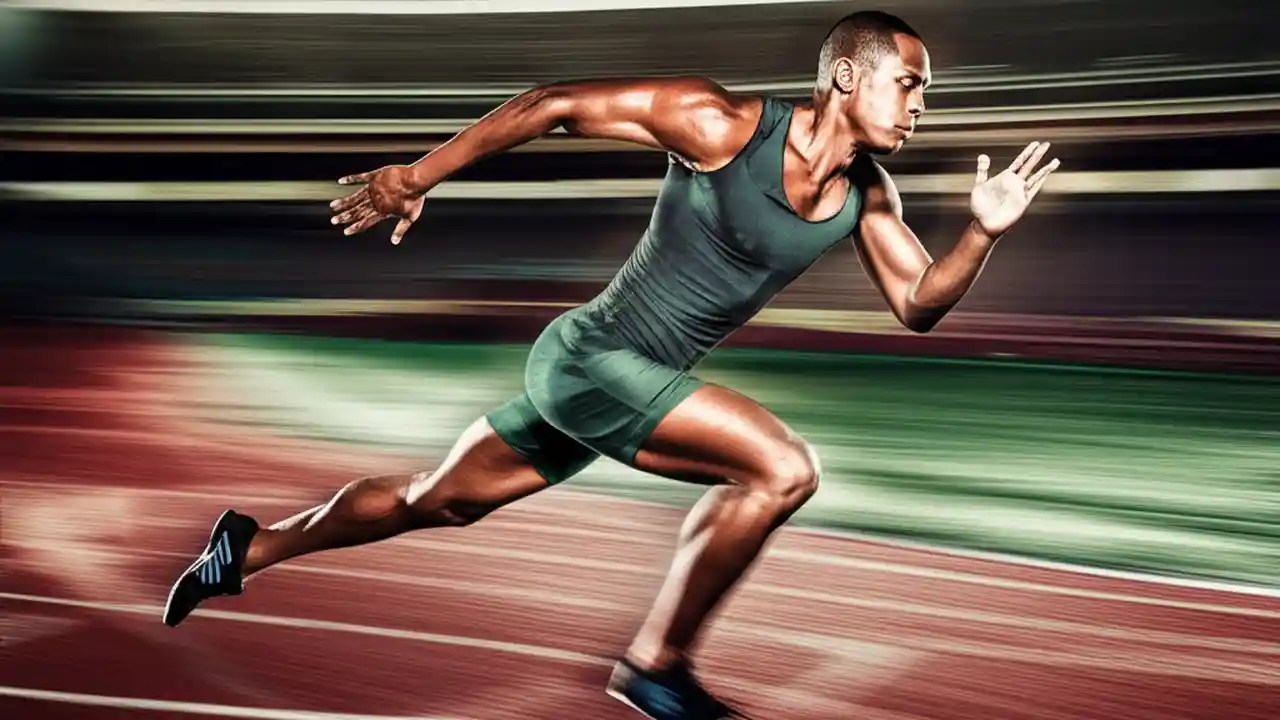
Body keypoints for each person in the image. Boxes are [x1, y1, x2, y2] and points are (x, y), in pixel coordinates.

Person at [163, 10, 1058, 720]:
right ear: (847, 75)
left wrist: (980, 231)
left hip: (621, 390)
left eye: (925, 94)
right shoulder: (717, 122)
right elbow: (554, 103)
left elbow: (919, 304)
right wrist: (421, 174)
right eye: (910, 84)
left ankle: (247, 546)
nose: (920, 107)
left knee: (437, 500)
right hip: (592, 357)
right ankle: (655, 666)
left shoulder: (869, 195)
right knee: (782, 469)